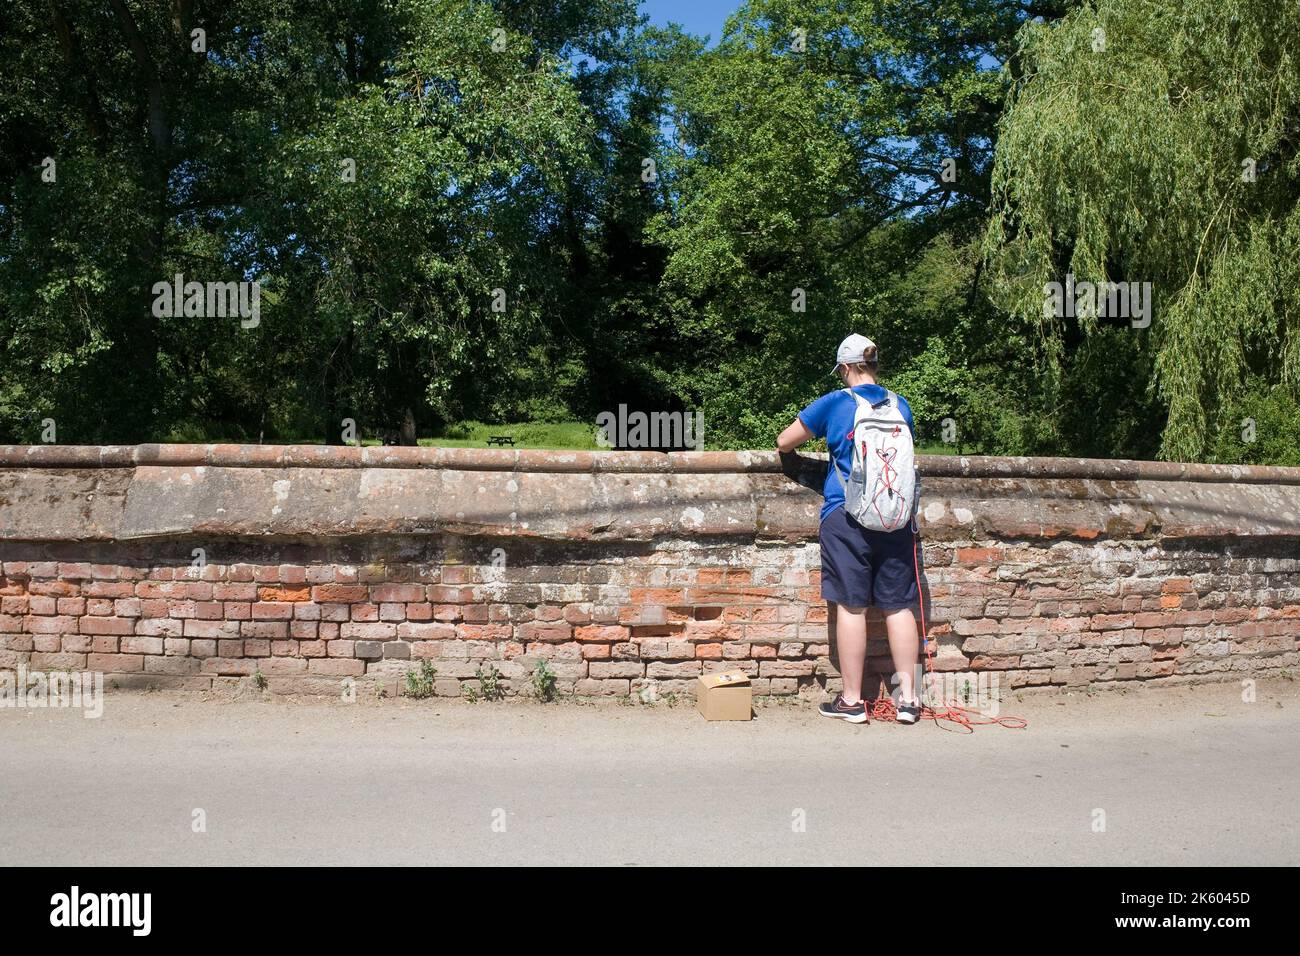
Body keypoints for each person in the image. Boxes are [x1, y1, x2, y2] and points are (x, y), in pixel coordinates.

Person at [776, 333, 922, 725]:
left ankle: (853, 702)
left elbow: (785, 441)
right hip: (895, 516)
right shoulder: (900, 404)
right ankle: (908, 700)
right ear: (874, 365)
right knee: (898, 605)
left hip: (846, 514)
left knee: (852, 606)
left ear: (844, 368)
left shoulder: (835, 403)